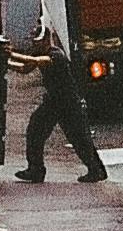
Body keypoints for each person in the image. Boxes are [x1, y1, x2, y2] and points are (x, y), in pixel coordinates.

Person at [17, 30, 108, 184]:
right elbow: (24, 68)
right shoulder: (41, 53)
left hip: (68, 103)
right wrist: (5, 60)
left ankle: (96, 170)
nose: (33, 43)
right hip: (54, 102)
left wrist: (8, 54)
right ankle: (35, 169)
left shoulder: (55, 55)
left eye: (36, 40)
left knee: (79, 138)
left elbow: (36, 60)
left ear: (46, 40)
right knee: (35, 130)